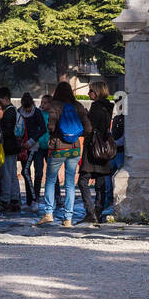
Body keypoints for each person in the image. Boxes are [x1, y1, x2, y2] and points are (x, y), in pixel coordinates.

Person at [35, 82, 92, 228]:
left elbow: (51, 126)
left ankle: (48, 213)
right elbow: (88, 128)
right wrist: (75, 134)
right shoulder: (78, 106)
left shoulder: (55, 106)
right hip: (74, 149)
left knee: (50, 180)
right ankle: (68, 218)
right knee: (70, 183)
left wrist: (59, 133)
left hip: (57, 149)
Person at [77, 81, 115, 225]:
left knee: (83, 181)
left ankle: (90, 212)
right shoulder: (109, 106)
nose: (88, 94)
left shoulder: (96, 107)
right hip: (104, 146)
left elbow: (90, 127)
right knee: (100, 182)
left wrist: (85, 116)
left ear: (97, 91)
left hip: (93, 146)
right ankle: (98, 212)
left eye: (91, 91)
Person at [15, 93, 46, 209]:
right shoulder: (19, 112)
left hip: (35, 147)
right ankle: (30, 199)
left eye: (29, 108)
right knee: (26, 172)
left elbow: (43, 128)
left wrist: (32, 140)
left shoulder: (37, 112)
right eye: (25, 108)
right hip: (24, 148)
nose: (27, 111)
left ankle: (35, 198)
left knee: (38, 172)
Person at [0, 87, 21, 213]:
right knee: (12, 174)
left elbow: (7, 131)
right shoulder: (14, 111)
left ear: (5, 99)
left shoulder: (8, 113)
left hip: (8, 147)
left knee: (6, 175)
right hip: (13, 146)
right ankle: (15, 199)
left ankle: (5, 200)